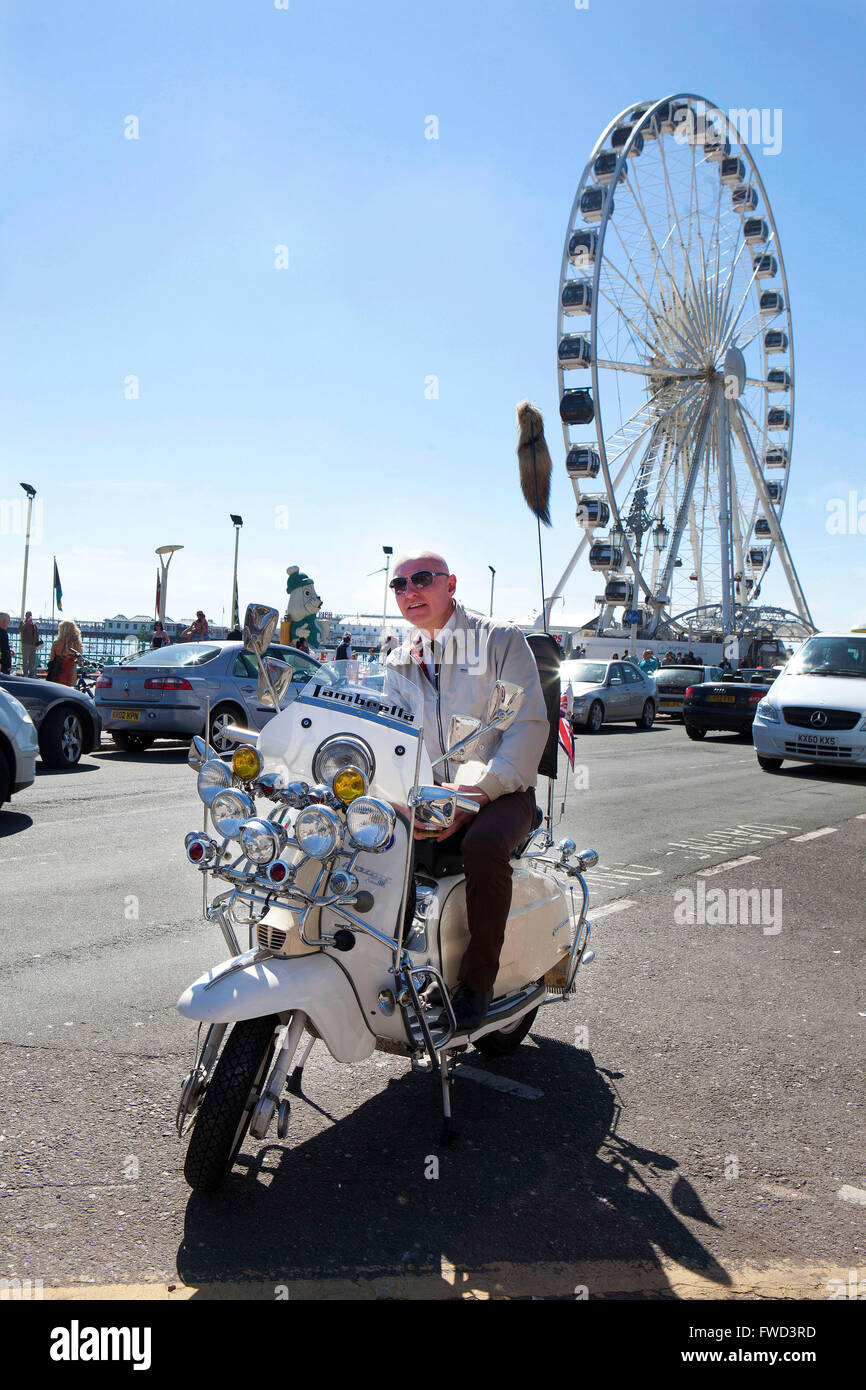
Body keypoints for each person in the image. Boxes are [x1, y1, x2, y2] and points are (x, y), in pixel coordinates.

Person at [385, 550, 549, 1031]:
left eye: (422, 579)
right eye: (399, 585)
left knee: (481, 847)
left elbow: (527, 725)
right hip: (431, 795)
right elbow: (396, 738)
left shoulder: (499, 640)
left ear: (451, 584)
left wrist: (474, 794)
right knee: (370, 840)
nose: (410, 591)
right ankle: (388, 966)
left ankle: (477, 984)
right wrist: (398, 796)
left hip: (501, 791)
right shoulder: (399, 659)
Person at [48, 620, 83, 686]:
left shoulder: (56, 643)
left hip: (57, 672)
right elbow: (79, 661)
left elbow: (52, 658)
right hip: (70, 672)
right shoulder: (77, 643)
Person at [19, 611, 41, 676]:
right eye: (28, 615)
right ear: (26, 616)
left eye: (30, 615)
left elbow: (36, 634)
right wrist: (27, 623)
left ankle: (32, 673)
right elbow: (20, 630)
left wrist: (37, 642)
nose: (29, 616)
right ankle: (25, 673)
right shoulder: (22, 622)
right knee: (25, 660)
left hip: (33, 645)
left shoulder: (34, 624)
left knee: (32, 660)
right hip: (26, 644)